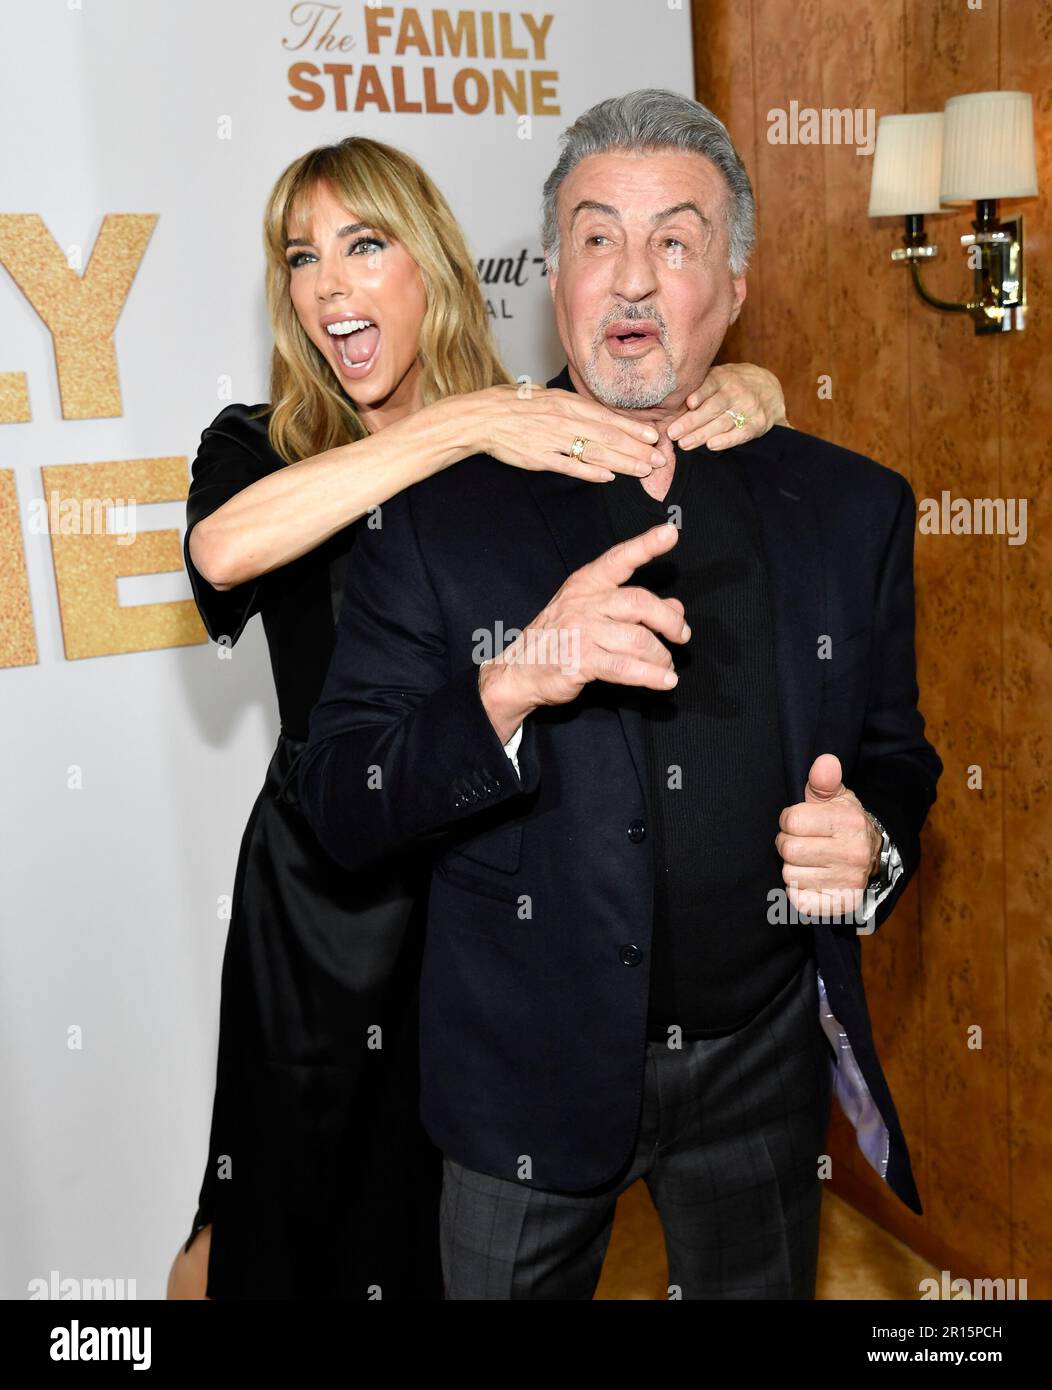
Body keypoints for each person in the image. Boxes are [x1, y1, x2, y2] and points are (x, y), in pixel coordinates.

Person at [295, 90, 943, 1301]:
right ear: (554, 276)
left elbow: (894, 753)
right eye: (596, 238)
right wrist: (513, 678)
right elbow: (341, 797)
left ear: (735, 287)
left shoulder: (854, 508)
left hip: (760, 1065)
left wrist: (871, 841)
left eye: (675, 241)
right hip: (519, 1073)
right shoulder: (437, 510)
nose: (631, 279)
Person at [166, 132, 789, 1299]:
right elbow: (221, 548)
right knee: (264, 1221)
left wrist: (753, 388)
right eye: (301, 258)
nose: (329, 284)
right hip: (320, 906)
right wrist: (457, 425)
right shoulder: (262, 443)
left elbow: (666, 441)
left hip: (483, 884)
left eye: (363, 244)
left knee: (438, 1237)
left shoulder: (527, 434)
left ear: (434, 266)